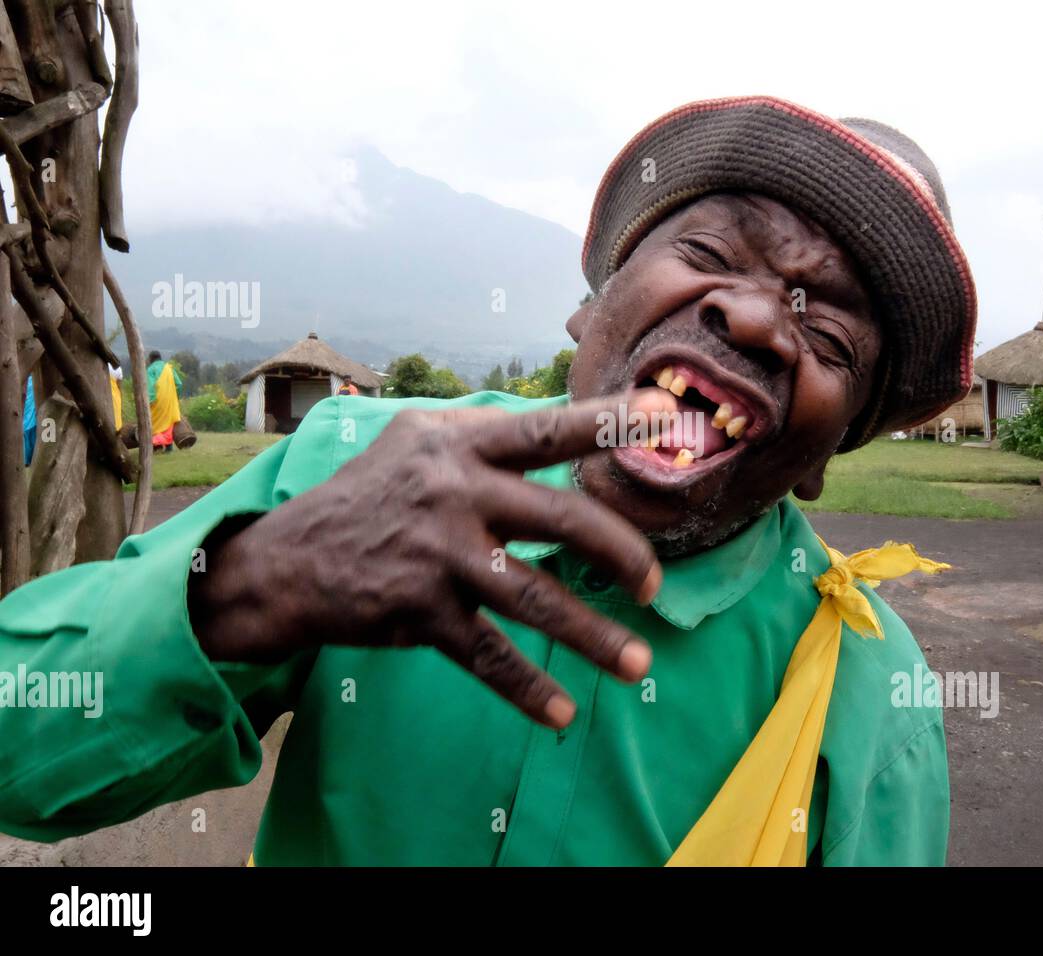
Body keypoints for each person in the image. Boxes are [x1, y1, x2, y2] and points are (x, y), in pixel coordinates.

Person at [0, 96, 976, 866]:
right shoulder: (353, 462)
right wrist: (259, 581)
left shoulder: (869, 697)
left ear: (826, 455)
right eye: (712, 253)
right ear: (587, 310)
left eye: (830, 333)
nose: (760, 322)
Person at [145, 350, 183, 452]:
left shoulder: (150, 370)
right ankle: (169, 446)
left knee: (155, 423)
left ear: (151, 359)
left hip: (156, 401)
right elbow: (179, 384)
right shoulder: (169, 368)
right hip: (170, 401)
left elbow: (151, 386)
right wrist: (175, 397)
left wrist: (150, 400)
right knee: (168, 422)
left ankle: (156, 446)